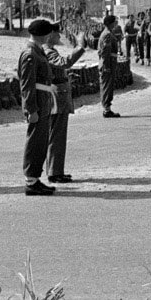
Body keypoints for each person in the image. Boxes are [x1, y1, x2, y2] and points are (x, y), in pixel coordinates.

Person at [19, 19, 59, 195]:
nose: (50, 35)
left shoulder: (37, 51)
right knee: (35, 141)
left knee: (41, 141)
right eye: (49, 32)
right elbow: (26, 85)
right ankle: (30, 180)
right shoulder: (30, 53)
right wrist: (31, 109)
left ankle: (35, 178)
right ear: (43, 34)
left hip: (43, 99)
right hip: (37, 101)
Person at [44, 22, 86, 183]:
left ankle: (56, 170)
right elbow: (64, 62)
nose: (59, 36)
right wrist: (80, 47)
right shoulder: (48, 51)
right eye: (56, 34)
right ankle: (54, 172)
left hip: (59, 94)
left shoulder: (50, 51)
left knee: (58, 135)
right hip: (57, 97)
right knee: (57, 136)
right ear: (49, 36)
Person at [98, 15, 121, 118]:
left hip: (108, 62)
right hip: (108, 63)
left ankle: (107, 108)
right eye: (114, 22)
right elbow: (105, 52)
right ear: (111, 23)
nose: (116, 23)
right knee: (107, 86)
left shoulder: (107, 33)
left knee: (107, 85)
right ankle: (107, 109)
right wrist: (107, 66)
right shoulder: (107, 34)